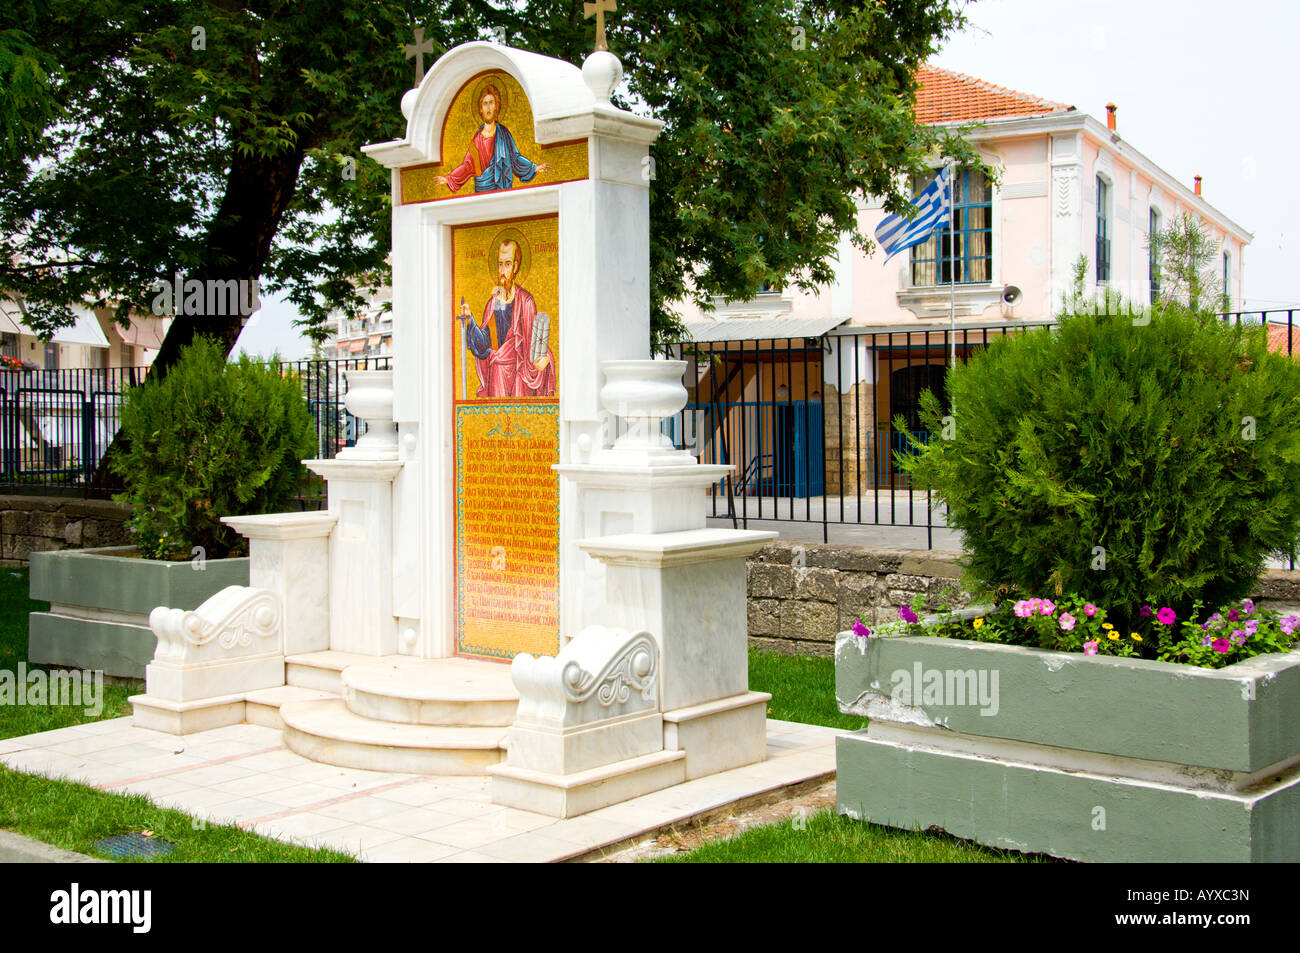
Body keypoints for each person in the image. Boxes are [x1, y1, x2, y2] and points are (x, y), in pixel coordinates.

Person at [462, 239, 556, 398]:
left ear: (516, 267)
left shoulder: (526, 302)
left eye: (507, 264)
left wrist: (546, 358)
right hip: (498, 373)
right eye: (500, 264)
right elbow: (485, 343)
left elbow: (533, 344)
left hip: (519, 373)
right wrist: (469, 318)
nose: (502, 271)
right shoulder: (492, 304)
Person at [435, 84, 551, 194]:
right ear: (481, 109)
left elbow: (514, 158)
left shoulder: (503, 134)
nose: (488, 108)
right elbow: (468, 166)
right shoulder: (477, 139)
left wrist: (534, 168)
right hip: (481, 188)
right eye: (485, 104)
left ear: (496, 106)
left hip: (500, 186)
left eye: (491, 103)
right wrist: (449, 179)